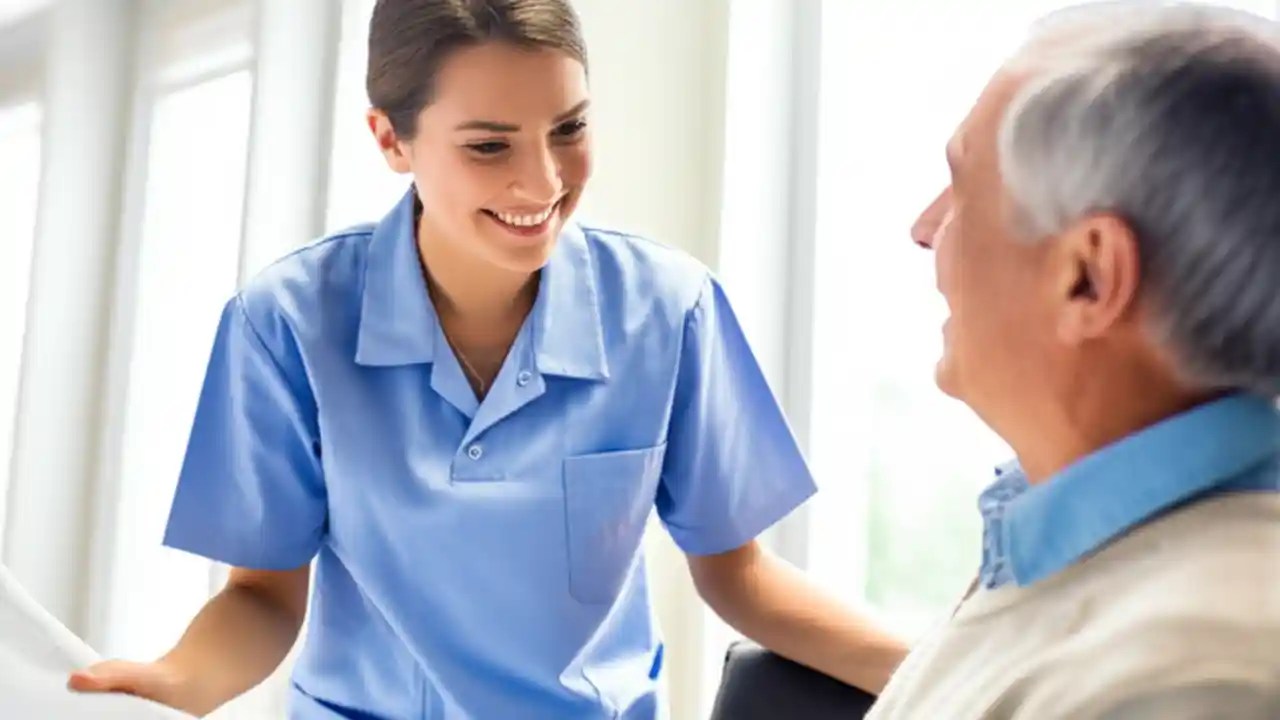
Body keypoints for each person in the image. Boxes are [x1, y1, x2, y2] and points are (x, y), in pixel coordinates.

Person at [66, 1, 906, 718]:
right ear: (391, 140)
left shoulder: (670, 309)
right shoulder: (287, 322)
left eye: (569, 129)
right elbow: (261, 595)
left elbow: (740, 577)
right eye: (489, 147)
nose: (542, 183)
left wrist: (958, 676)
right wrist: (175, 684)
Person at [869, 3, 1280, 718]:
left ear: (1087, 277)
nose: (926, 228)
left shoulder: (1194, 677)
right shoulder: (1066, 556)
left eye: (964, 185)